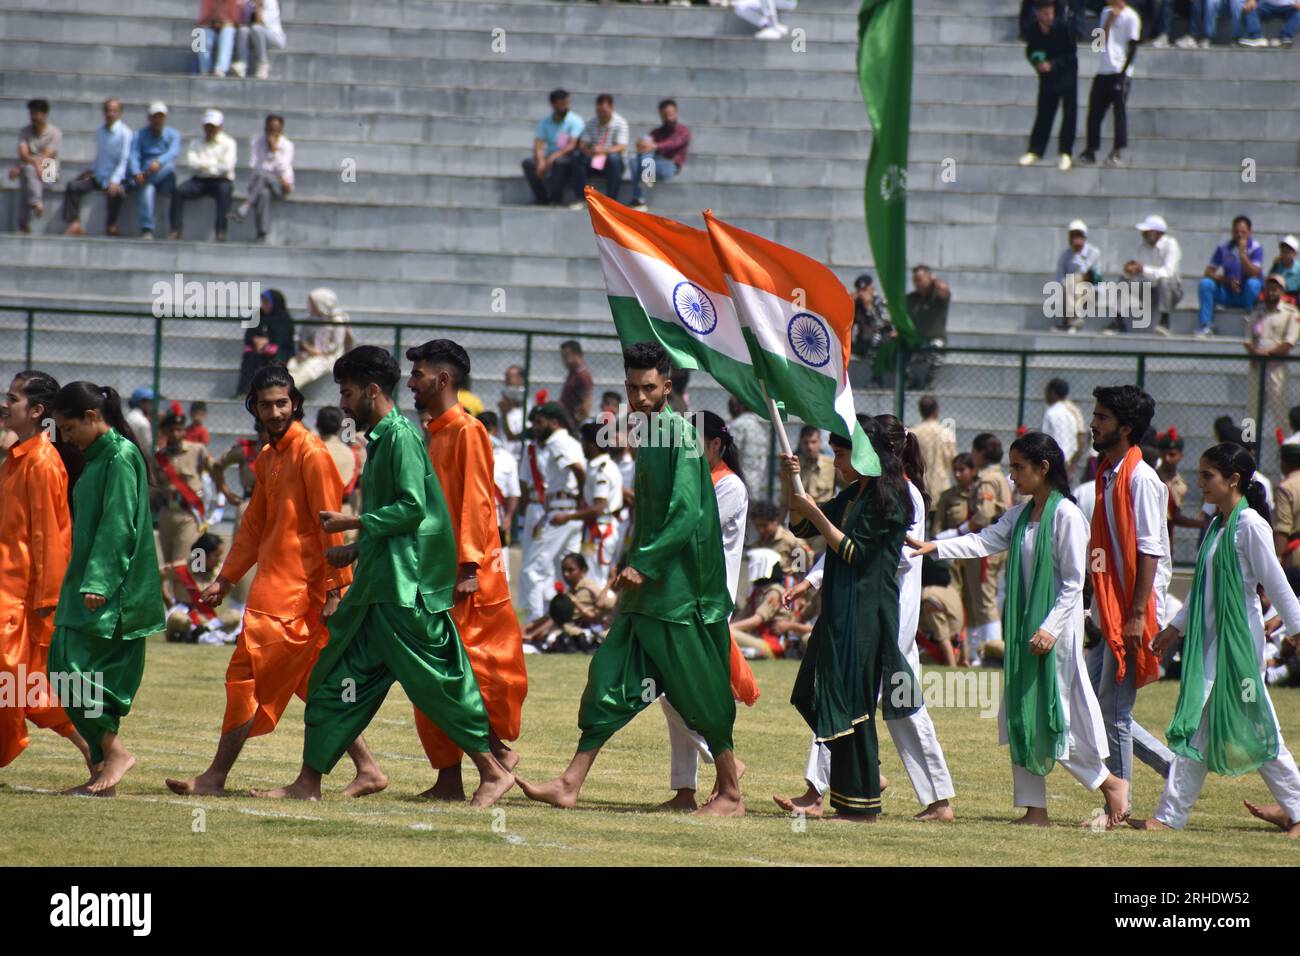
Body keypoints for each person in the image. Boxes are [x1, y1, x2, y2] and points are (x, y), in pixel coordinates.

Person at [251, 347, 514, 804]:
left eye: (347, 392)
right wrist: (357, 547)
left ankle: (492, 770)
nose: (343, 402)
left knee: (436, 685)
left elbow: (414, 508)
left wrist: (354, 524)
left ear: (372, 390)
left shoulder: (401, 437)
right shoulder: (384, 438)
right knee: (332, 679)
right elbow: (400, 517)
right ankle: (308, 782)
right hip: (376, 588)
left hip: (404, 592)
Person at [517, 341, 744, 816]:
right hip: (646, 595)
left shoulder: (680, 436)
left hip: (680, 597)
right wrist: (630, 561)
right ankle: (569, 783)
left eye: (648, 388)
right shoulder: (649, 434)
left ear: (666, 385)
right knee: (609, 679)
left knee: (699, 690)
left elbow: (685, 515)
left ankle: (730, 794)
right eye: (632, 389)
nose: (639, 397)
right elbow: (649, 515)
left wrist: (646, 563)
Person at [165, 365, 384, 795]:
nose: (275, 411)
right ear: (255, 409)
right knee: (310, 679)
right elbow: (253, 529)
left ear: (295, 403)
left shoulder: (312, 454)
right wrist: (225, 580)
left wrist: (337, 588)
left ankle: (215, 777)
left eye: (282, 402)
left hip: (300, 594)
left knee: (246, 674)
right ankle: (369, 769)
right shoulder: (267, 457)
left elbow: (331, 525)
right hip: (276, 589)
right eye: (266, 405)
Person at [917, 432, 1130, 826]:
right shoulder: (1021, 514)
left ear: (1043, 468)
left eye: (1019, 468)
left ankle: (1109, 782)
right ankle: (1036, 810)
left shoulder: (1067, 515)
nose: (1012, 477)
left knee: (1051, 716)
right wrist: (936, 547)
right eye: (1011, 467)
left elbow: (1072, 584)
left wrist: (1049, 629)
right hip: (1024, 632)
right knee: (1020, 712)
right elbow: (984, 541)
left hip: (1056, 635)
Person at [779, 415, 956, 822]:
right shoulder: (856, 494)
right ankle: (860, 781)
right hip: (847, 607)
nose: (836, 462)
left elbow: (863, 552)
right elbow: (811, 528)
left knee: (865, 703)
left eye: (842, 454)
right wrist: (793, 484)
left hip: (881, 611)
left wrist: (818, 521)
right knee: (831, 696)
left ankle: (846, 795)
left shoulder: (897, 495)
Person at [1131, 443, 1300, 834]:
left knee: (1258, 726)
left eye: (1208, 476)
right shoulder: (1219, 526)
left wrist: (1296, 632)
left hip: (1238, 646)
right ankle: (1169, 817)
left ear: (1233, 480)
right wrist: (1175, 627)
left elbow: (1277, 584)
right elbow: (1202, 589)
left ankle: (1295, 807)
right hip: (1213, 645)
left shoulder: (1250, 526)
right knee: (1198, 728)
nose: (1199, 483)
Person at [404, 340, 529, 800]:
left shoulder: (467, 430)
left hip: (467, 577)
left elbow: (478, 500)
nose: (411, 383)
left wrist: (469, 565)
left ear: (442, 380)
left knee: (464, 673)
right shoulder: (435, 433)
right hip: (437, 576)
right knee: (433, 675)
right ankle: (448, 779)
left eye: (417, 375)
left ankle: (495, 758)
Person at [47, 383, 164, 795]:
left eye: (69, 427)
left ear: (93, 417)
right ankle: (103, 772)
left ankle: (114, 754)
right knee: (64, 669)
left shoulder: (119, 455)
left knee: (73, 673)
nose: (66, 437)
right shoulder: (97, 459)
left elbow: (119, 524)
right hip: (86, 585)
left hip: (115, 593)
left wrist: (99, 581)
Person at [660, 409, 759, 811]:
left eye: (693, 441)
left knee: (678, 692)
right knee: (671, 691)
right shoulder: (695, 480)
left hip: (709, 601)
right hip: (685, 597)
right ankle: (685, 790)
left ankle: (727, 767)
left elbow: (695, 532)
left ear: (716, 445)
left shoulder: (729, 485)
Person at [1086, 384, 1172, 824]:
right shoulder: (1110, 473)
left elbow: (1149, 550)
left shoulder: (1140, 478)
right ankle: (1175, 771)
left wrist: (1137, 616)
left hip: (1133, 613)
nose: (1093, 423)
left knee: (1113, 712)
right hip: (1111, 609)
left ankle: (1117, 809)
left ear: (1126, 427)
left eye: (1102, 417)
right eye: (1095, 414)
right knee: (1099, 709)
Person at [0, 371, 90, 771]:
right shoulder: (18, 457)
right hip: (7, 592)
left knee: (22, 685)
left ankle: (101, 750)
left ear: (37, 411)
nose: (6, 404)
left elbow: (48, 537)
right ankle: (99, 753)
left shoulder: (40, 462)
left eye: (13, 399)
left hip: (21, 599)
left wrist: (47, 601)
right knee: (24, 687)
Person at [519, 402, 585, 623]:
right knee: (566, 571)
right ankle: (565, 622)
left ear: (554, 422)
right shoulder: (562, 442)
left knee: (532, 570)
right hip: (564, 511)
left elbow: (578, 469)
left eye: (540, 422)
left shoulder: (558, 442)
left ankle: (535, 623)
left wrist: (581, 496)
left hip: (562, 511)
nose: (536, 427)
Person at [964, 433, 1014, 664]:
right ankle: (977, 652)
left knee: (984, 600)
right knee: (976, 598)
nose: (972, 456)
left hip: (986, 547)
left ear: (982, 452)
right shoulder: (998, 477)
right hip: (991, 546)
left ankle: (993, 652)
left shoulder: (988, 479)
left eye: (974, 451)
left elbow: (984, 514)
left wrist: (962, 529)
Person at [553, 421, 623, 587]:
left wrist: (568, 517)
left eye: (583, 442)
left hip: (600, 529)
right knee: (591, 574)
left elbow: (599, 508)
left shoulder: (602, 471)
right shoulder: (596, 467)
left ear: (592, 444)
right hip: (594, 529)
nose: (582, 446)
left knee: (595, 577)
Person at [1078, 0, 1140, 168]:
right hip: (1103, 70)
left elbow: (1133, 47)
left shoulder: (1132, 17)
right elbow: (1097, 44)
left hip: (1120, 72)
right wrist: (1109, 21)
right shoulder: (1105, 13)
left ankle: (1117, 150)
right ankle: (1091, 149)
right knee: (1094, 112)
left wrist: (1123, 73)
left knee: (1119, 113)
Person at [1020, 0, 1079, 172]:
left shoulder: (1064, 28)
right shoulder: (1033, 30)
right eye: (1045, 14)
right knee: (1044, 114)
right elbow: (1030, 51)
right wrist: (1037, 62)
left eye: (1051, 13)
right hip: (1047, 78)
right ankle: (1035, 150)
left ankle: (1065, 152)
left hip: (1066, 76)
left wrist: (1053, 64)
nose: (1049, 17)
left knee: (1069, 115)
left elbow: (1071, 54)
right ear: (1038, 14)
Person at [61, 98, 130, 237]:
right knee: (73, 186)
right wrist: (91, 170)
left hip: (115, 178)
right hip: (99, 177)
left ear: (120, 113)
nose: (110, 113)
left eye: (114, 110)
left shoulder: (125, 133)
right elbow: (100, 157)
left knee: (117, 193)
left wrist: (115, 180)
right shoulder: (100, 132)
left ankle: (111, 226)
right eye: (108, 110)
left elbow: (124, 159)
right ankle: (74, 223)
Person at [155, 409, 214, 565]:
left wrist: (223, 492)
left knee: (186, 562)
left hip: (190, 512)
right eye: (171, 430)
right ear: (164, 432)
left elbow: (214, 470)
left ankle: (196, 587)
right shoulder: (158, 457)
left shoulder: (197, 450)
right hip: (167, 512)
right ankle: (169, 590)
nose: (175, 434)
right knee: (169, 564)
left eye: (179, 430)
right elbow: (154, 487)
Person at [170, 109, 236, 242]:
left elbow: (227, 166)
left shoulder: (229, 143)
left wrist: (205, 166)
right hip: (200, 180)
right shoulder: (195, 143)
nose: (210, 129)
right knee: (178, 191)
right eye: (208, 126)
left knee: (225, 191)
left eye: (213, 126)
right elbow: (192, 164)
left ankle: (221, 231)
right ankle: (175, 230)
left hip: (221, 180)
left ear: (220, 126)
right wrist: (214, 165)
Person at [1244, 274, 1300, 431]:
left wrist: (1266, 355)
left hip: (1277, 369)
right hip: (1257, 369)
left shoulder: (1290, 313)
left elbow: (1289, 343)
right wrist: (1255, 353)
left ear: (1282, 291)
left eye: (1275, 289)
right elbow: (1247, 340)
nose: (1271, 292)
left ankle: (1286, 449)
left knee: (1281, 411)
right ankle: (1247, 449)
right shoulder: (1256, 312)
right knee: (1251, 413)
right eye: (1268, 289)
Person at [1196, 215, 1265, 338]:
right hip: (1228, 292)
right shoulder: (1223, 247)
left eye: (1243, 232)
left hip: (1246, 293)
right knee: (1205, 284)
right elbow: (1208, 272)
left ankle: (1251, 316)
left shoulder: (1256, 247)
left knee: (1253, 284)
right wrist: (1226, 280)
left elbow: (1254, 273)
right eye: (1236, 231)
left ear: (1249, 232)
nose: (1239, 235)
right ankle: (1206, 324)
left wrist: (1242, 253)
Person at [228, 114, 293, 242]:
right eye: (270, 129)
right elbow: (254, 165)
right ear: (265, 128)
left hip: (280, 185)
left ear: (281, 130)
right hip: (260, 184)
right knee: (263, 194)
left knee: (263, 175)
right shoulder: (257, 142)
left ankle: (245, 207)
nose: (272, 133)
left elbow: (283, 169)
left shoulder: (287, 145)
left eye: (276, 130)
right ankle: (262, 233)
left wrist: (274, 151)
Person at [1122, 214, 1183, 337]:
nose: (1143, 234)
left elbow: (1168, 272)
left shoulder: (1171, 244)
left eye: (1147, 231)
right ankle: (1117, 320)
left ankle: (1164, 321)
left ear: (1156, 232)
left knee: (1164, 280)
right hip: (1149, 291)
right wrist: (1130, 270)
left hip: (1171, 292)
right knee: (1124, 280)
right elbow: (1138, 270)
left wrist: (1142, 269)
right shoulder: (1141, 247)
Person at [126, 103, 179, 241]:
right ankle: (147, 228)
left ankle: (139, 181)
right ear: (149, 118)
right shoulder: (139, 135)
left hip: (165, 174)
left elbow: (173, 152)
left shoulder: (173, 134)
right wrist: (136, 171)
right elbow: (134, 155)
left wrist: (159, 162)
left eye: (160, 117)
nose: (157, 121)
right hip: (145, 172)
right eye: (155, 117)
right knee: (147, 188)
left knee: (168, 167)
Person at [522, 89, 584, 207]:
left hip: (568, 158)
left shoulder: (575, 121)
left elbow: (571, 145)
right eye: (562, 104)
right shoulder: (545, 122)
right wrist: (540, 161)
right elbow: (539, 144)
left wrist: (553, 157)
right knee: (528, 163)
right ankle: (542, 198)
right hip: (550, 156)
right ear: (553, 104)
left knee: (559, 162)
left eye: (567, 103)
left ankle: (556, 199)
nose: (566, 107)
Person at [628, 98, 691, 211]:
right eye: (665, 115)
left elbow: (673, 143)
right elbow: (646, 145)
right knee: (634, 159)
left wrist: (655, 146)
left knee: (645, 154)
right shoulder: (657, 132)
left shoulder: (683, 131)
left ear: (676, 113)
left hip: (671, 165)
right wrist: (641, 144)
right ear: (661, 115)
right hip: (654, 162)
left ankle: (639, 195)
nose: (669, 118)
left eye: (671, 114)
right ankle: (641, 196)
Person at [10, 99, 62, 235]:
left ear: (44, 115)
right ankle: (36, 203)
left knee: (26, 172)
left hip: (50, 170)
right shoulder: (25, 131)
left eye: (36, 114)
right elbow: (23, 153)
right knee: (28, 172)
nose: (32, 117)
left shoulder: (55, 133)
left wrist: (23, 165)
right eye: (31, 114)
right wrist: (32, 164)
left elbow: (47, 156)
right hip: (32, 169)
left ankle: (24, 223)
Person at [478, 411, 520, 572]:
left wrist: (509, 517)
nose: (487, 434)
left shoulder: (507, 458)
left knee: (499, 568)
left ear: (496, 430)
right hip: (475, 516)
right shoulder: (471, 453)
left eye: (489, 429)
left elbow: (513, 492)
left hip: (498, 518)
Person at [570, 94, 628, 208]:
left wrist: (604, 151)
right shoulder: (592, 122)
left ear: (611, 108)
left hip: (612, 163)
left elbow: (621, 146)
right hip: (594, 159)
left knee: (614, 158)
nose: (601, 114)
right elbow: (582, 144)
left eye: (604, 111)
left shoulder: (620, 123)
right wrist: (591, 151)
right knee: (577, 156)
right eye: (599, 111)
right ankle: (581, 197)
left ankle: (611, 200)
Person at [286, 288, 351, 387]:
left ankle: (292, 388)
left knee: (311, 366)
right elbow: (303, 340)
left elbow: (336, 344)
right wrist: (308, 348)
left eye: (312, 303)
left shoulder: (337, 320)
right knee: (292, 364)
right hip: (310, 353)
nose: (309, 306)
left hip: (329, 357)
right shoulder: (311, 319)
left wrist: (319, 351)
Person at [236, 288, 295, 395]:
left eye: (266, 302)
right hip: (258, 350)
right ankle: (245, 391)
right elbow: (249, 334)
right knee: (250, 358)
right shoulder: (258, 315)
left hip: (279, 350)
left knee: (275, 362)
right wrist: (256, 340)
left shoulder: (283, 317)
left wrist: (268, 341)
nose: (264, 305)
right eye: (262, 302)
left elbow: (284, 338)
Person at [1054, 220, 1103, 333]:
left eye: (1078, 235)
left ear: (1084, 237)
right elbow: (1059, 278)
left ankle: (1070, 320)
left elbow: (1086, 273)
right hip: (1070, 291)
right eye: (1073, 235)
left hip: (1090, 291)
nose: (1075, 238)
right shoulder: (1065, 255)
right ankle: (1072, 320)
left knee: (1074, 279)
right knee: (1067, 283)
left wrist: (1077, 254)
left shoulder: (1093, 252)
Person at [911, 396, 955, 515]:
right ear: (936, 410)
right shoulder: (945, 432)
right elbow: (953, 459)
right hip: (941, 485)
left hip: (919, 484)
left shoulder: (914, 432)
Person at [849, 273, 892, 387]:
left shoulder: (880, 302)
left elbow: (881, 324)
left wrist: (869, 307)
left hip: (881, 341)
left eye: (865, 289)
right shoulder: (856, 305)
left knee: (876, 339)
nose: (862, 293)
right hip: (863, 341)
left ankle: (876, 379)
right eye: (860, 290)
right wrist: (848, 305)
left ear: (871, 288)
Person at [727, 396, 770, 499]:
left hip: (738, 480)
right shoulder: (760, 426)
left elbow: (730, 453)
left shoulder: (737, 425)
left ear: (740, 406)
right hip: (757, 479)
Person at [233, 0, 286, 79]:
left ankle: (263, 63)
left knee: (256, 28)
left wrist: (258, 6)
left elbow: (261, 21)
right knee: (243, 30)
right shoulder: (247, 2)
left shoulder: (271, 2)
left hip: (274, 37)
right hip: (254, 35)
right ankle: (242, 63)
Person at [1042, 378, 1084, 474]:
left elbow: (1046, 439)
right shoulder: (1072, 413)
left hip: (1052, 461)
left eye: (1046, 391)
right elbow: (1079, 441)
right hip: (1068, 461)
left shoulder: (1050, 412)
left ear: (1052, 392)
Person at [1272, 443, 1300, 567]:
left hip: (1295, 554)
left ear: (1284, 463)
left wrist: (1274, 560)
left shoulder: (1285, 487)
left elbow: (1283, 529)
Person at [196, 0, 240, 76]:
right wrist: (214, 14)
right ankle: (205, 69)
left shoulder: (234, 2)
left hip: (227, 29)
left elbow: (236, 21)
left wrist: (224, 22)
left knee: (228, 31)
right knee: (201, 33)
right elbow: (202, 21)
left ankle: (221, 69)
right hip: (211, 27)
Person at [796, 425, 837, 504]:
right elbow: (785, 501)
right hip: (802, 512)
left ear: (820, 442)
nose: (810, 447)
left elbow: (848, 487)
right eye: (806, 442)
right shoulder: (794, 466)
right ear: (800, 443)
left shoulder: (832, 465)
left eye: (813, 442)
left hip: (824, 512)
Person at [559, 339, 593, 428]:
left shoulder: (582, 376)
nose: (564, 360)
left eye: (566, 356)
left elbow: (586, 403)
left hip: (573, 425)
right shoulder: (573, 373)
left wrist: (576, 423)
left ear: (577, 354)